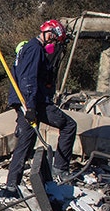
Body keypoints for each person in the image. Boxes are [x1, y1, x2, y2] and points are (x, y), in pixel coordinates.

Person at [4, 19, 77, 196]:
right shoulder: (35, 49)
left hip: (28, 102)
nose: (53, 45)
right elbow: (28, 79)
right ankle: (60, 168)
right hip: (33, 102)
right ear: (49, 34)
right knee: (69, 125)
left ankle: (11, 186)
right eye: (54, 41)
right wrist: (30, 107)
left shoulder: (29, 49)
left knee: (25, 143)